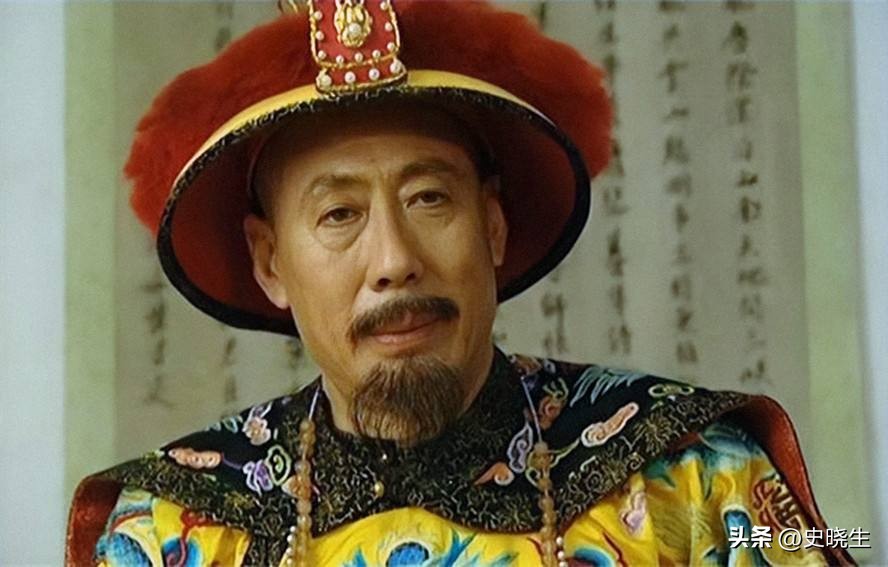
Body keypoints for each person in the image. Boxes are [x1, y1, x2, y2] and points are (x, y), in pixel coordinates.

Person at [67, 1, 851, 565]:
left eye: (429, 198)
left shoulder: (701, 477)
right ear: (270, 261)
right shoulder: (170, 532)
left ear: (494, 224)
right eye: (339, 213)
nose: (394, 258)